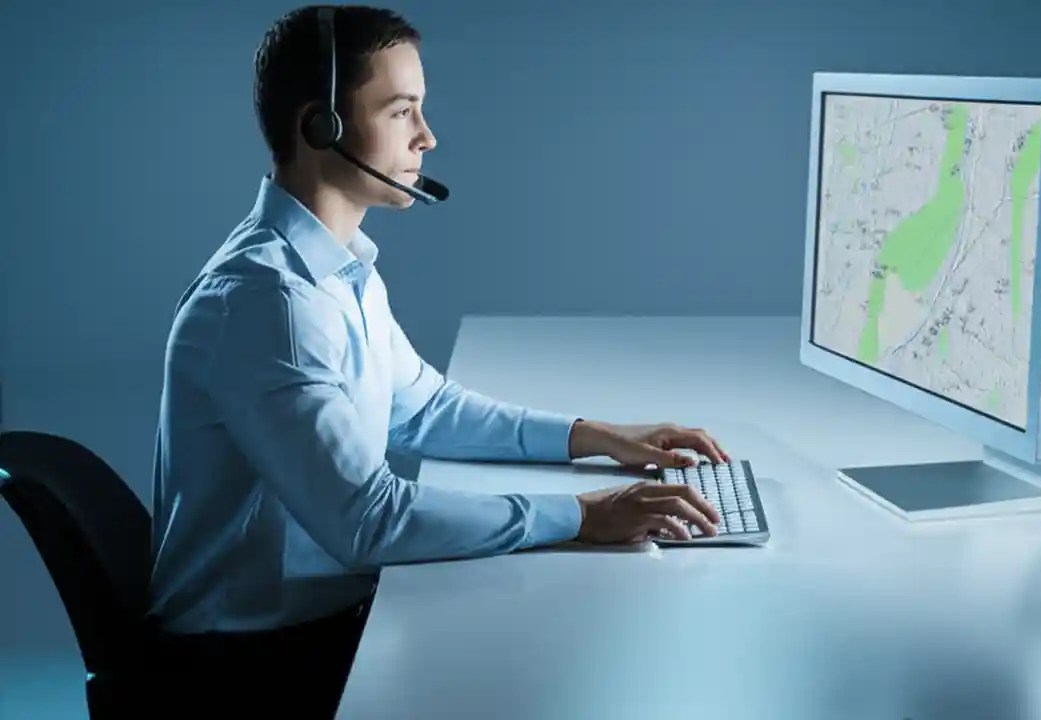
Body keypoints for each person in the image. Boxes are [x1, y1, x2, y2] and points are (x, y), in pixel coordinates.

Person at [143, 3, 726, 713]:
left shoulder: (333, 269)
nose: (427, 136)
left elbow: (422, 408)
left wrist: (594, 436)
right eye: (401, 112)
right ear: (320, 127)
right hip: (248, 668)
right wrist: (583, 516)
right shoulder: (269, 304)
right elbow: (370, 523)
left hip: (307, 619)